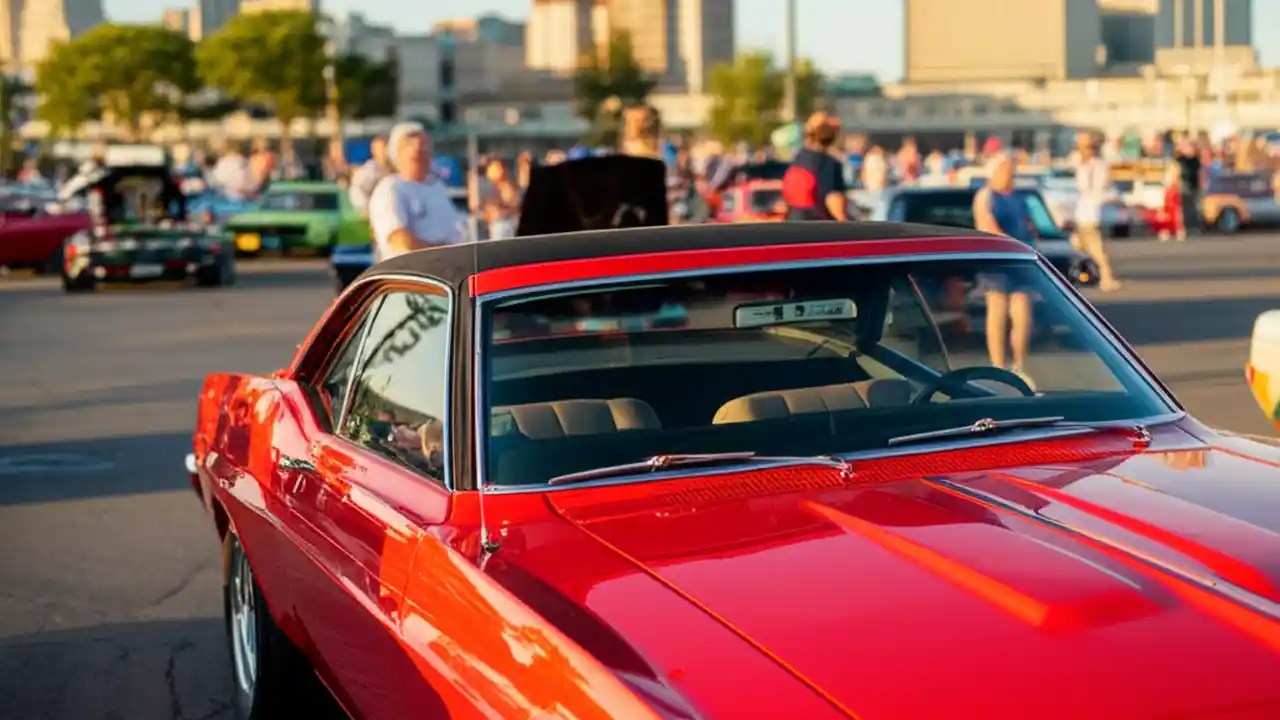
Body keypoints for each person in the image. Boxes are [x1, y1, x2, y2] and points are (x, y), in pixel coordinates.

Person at [973, 152, 1037, 389]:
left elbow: (1029, 223)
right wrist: (1009, 243)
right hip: (997, 258)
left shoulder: (1018, 197)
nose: (1012, 174)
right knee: (997, 309)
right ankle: (998, 366)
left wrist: (1030, 241)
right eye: (1007, 169)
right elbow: (986, 224)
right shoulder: (987, 195)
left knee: (1022, 310)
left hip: (1018, 258)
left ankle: (1019, 364)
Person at [368, 122, 465, 263]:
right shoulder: (389, 189)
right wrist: (440, 256)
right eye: (410, 146)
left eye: (424, 148)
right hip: (412, 277)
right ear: (396, 154)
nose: (419, 150)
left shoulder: (437, 188)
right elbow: (398, 239)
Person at [1073, 133, 1121, 291]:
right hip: (1082, 212)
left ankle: (1105, 276)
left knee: (1094, 247)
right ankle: (1084, 275)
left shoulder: (1097, 166)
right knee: (1079, 246)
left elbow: (1096, 189)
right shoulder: (1079, 164)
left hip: (1090, 213)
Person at [781, 111, 848, 221]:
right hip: (819, 226)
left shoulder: (799, 158)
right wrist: (844, 224)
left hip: (794, 222)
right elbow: (833, 198)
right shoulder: (828, 163)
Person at [349, 135, 391, 217]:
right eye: (382, 148)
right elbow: (356, 190)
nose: (385, 151)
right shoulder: (370, 170)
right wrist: (367, 209)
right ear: (374, 150)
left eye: (386, 147)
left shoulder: (392, 168)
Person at [1174, 135, 1202, 237]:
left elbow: (1198, 173)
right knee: (1186, 209)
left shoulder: (1195, 160)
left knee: (1194, 208)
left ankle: (1194, 227)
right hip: (1184, 186)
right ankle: (1188, 227)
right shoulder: (1180, 159)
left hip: (1194, 187)